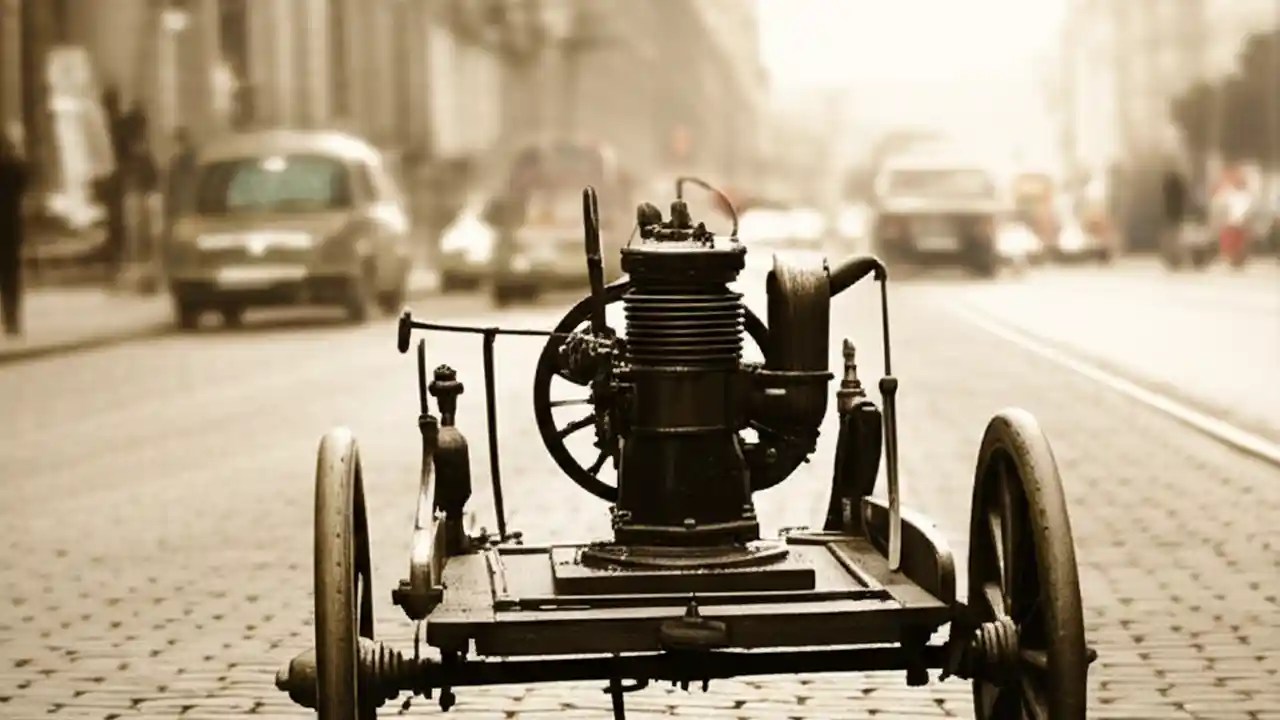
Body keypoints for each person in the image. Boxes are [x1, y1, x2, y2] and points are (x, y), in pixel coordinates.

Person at [0, 123, 29, 336]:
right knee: (11, 278)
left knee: (10, 277)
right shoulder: (14, 168)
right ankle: (12, 321)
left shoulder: (12, 169)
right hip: (11, 230)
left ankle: (12, 320)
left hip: (9, 230)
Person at [164, 127, 197, 243]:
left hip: (186, 210)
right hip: (185, 210)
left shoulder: (180, 163)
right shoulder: (181, 162)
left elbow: (171, 189)